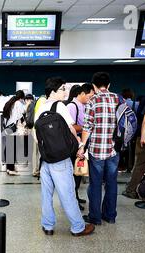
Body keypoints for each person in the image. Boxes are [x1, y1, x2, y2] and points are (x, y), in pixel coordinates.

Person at [35, 77, 94, 237]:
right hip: (60, 158)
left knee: (46, 194)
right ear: (53, 91)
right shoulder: (60, 106)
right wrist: (80, 146)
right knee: (67, 193)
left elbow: (36, 135)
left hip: (46, 159)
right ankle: (78, 227)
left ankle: (47, 225)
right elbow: (72, 130)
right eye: (62, 88)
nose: (65, 92)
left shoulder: (40, 107)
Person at [77, 72, 120, 225]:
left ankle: (95, 217)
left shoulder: (92, 100)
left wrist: (82, 146)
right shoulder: (118, 99)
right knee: (112, 183)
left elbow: (87, 126)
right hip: (114, 148)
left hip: (96, 149)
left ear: (94, 86)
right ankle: (110, 216)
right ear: (109, 85)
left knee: (95, 184)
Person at [66, 83, 95, 210]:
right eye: (90, 96)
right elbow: (70, 126)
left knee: (78, 172)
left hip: (81, 143)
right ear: (82, 93)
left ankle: (76, 197)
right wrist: (87, 128)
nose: (90, 98)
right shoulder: (72, 106)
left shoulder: (82, 106)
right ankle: (72, 200)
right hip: (75, 144)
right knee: (74, 173)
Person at [2, 90, 26, 175]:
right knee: (12, 149)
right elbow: (22, 113)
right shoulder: (18, 103)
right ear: (21, 98)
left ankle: (9, 168)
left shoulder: (9, 103)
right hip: (13, 129)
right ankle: (11, 169)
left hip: (8, 128)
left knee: (8, 148)